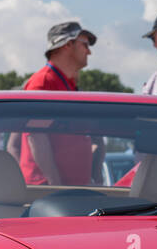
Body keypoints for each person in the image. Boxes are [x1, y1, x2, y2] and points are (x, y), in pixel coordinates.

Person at [16, 21, 97, 186]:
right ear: (68, 44)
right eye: (85, 45)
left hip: (63, 191)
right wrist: (55, 184)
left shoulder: (66, 84)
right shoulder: (43, 82)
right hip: (48, 190)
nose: (89, 51)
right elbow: (36, 136)